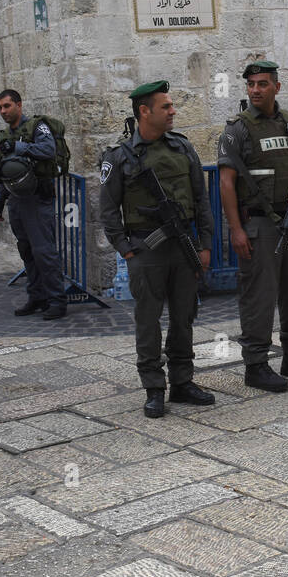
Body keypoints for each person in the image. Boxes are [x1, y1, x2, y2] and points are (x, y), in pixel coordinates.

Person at [99, 81, 214, 419]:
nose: (173, 111)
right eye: (166, 107)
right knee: (148, 320)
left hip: (183, 247)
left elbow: (201, 200)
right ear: (144, 112)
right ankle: (153, 387)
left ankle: (182, 381)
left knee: (183, 316)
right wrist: (126, 249)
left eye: (172, 105)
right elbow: (108, 210)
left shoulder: (183, 148)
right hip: (145, 249)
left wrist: (205, 244)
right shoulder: (119, 157)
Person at [217, 59, 288, 391]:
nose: (255, 90)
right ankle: (256, 364)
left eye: (263, 84)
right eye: (251, 84)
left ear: (277, 87)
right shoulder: (237, 129)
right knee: (259, 296)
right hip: (259, 225)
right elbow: (226, 183)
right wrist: (236, 229)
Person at [0, 89, 66, 319]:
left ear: (19, 105)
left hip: (38, 199)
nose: (4, 111)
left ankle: (57, 301)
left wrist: (18, 148)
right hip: (16, 201)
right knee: (27, 251)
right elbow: (7, 172)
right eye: (0, 108)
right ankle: (37, 297)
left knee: (44, 252)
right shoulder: (4, 137)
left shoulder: (37, 127)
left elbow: (48, 150)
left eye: (7, 106)